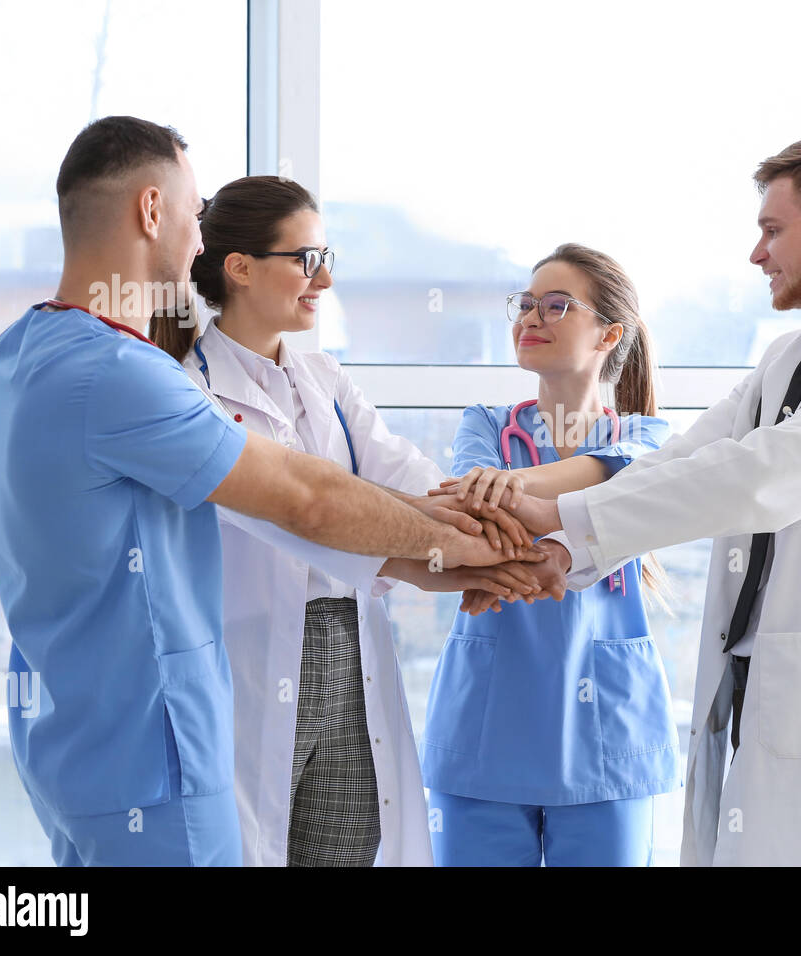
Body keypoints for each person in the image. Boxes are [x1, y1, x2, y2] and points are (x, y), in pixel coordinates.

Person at [0, 116, 533, 867]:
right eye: (192, 210)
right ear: (149, 211)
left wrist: (451, 550)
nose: (197, 239)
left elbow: (351, 498)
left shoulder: (14, 357)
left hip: (75, 752)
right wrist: (469, 548)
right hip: (156, 757)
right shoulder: (127, 377)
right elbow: (307, 501)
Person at [490, 131, 801, 865]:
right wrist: (566, 546)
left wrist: (565, 519)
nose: (757, 253)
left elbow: (760, 478)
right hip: (752, 689)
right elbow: (690, 457)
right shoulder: (791, 357)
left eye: (773, 231)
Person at [153, 174, 547, 867]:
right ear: (240, 268)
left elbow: (413, 484)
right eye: (306, 260)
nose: (324, 279)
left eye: (326, 258)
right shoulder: (186, 390)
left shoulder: (325, 381)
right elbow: (311, 516)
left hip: (348, 659)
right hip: (245, 661)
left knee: (346, 847)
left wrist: (495, 545)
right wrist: (453, 556)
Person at [420, 243, 681, 866]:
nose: (531, 318)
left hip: (605, 737)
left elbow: (607, 482)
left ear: (608, 334)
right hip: (487, 731)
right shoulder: (484, 423)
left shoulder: (645, 438)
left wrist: (513, 487)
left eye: (557, 305)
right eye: (526, 303)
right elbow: (470, 517)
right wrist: (569, 498)